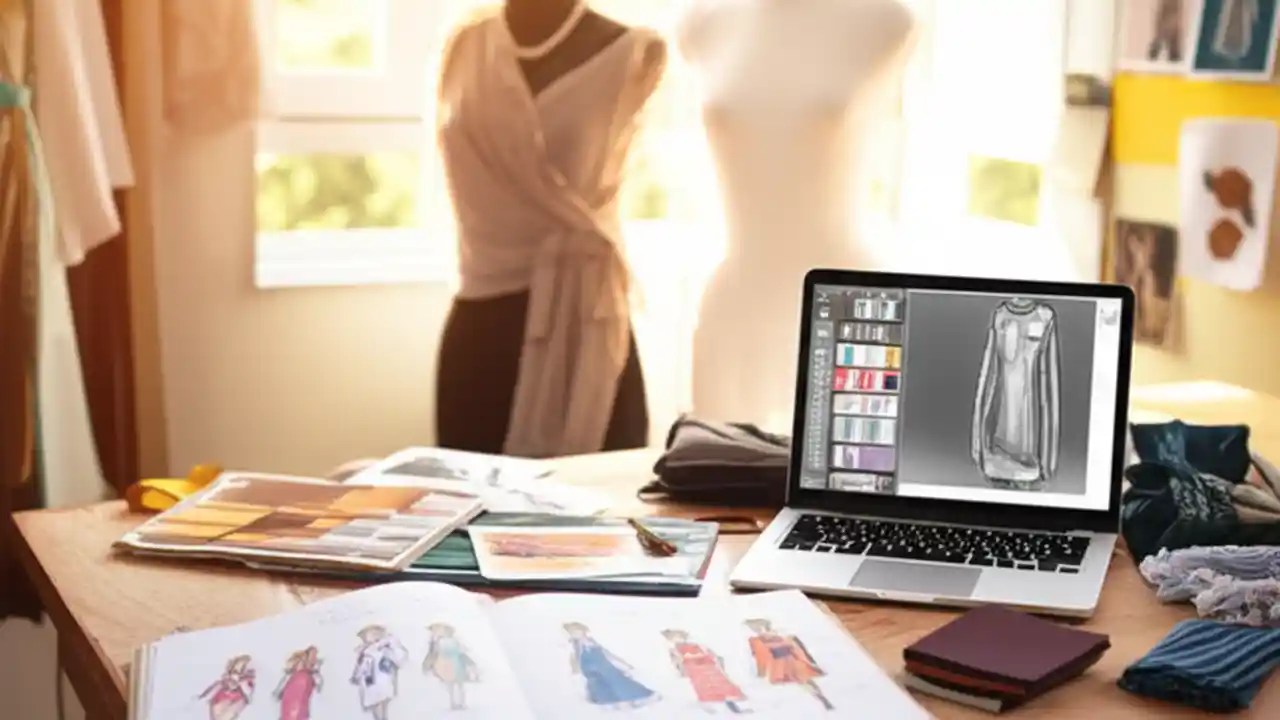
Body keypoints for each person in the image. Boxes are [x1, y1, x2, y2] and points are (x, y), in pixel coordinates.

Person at [434, 0, 667, 456]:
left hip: (587, 328)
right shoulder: (466, 45)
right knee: (467, 519)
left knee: (602, 517)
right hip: (479, 334)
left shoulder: (631, 53)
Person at [565, 622, 660, 709]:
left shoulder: (592, 641)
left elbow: (607, 653)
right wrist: (575, 670)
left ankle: (635, 699)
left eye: (577, 631)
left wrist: (624, 663)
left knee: (619, 680)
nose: (576, 634)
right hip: (592, 669)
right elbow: (574, 658)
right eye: (573, 632)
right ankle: (617, 702)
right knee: (603, 685)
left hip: (605, 666)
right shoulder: (576, 645)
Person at [744, 618, 833, 710]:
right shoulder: (757, 640)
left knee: (805, 680)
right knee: (803, 681)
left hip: (791, 661)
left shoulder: (780, 635)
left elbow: (793, 645)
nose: (755, 630)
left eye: (756, 627)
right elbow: (761, 655)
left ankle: (821, 698)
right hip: (781, 663)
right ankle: (821, 698)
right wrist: (761, 670)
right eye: (754, 628)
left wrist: (807, 659)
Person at [662, 629, 750, 714]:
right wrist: (681, 669)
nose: (678, 639)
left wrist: (715, 660)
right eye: (674, 638)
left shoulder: (696, 645)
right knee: (707, 690)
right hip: (697, 672)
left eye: (679, 636)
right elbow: (677, 662)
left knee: (721, 687)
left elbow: (710, 653)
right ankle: (717, 709)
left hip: (708, 669)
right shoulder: (675, 650)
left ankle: (731, 706)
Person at [350, 625, 409, 720]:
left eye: (373, 633)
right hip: (370, 686)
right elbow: (360, 669)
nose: (368, 637)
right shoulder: (364, 653)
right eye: (366, 635)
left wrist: (391, 646)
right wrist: (357, 675)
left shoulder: (385, 648)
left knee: (381, 708)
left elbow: (399, 659)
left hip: (382, 683)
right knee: (376, 710)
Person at [423, 623, 480, 710]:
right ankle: (462, 703)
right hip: (457, 664)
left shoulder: (441, 642)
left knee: (451, 686)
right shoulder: (455, 641)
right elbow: (462, 651)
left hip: (447, 665)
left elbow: (436, 653)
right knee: (459, 685)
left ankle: (453, 703)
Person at [198, 655, 255, 720]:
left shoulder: (244, 687)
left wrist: (240, 683)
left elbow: (248, 694)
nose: (236, 675)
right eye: (235, 671)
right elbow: (213, 687)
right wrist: (203, 695)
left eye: (241, 672)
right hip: (219, 701)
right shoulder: (224, 682)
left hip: (234, 702)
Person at [275, 646, 323, 720]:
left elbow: (318, 688)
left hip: (299, 711)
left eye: (315, 655)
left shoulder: (310, 676)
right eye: (313, 654)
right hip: (292, 710)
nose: (314, 658)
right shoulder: (296, 676)